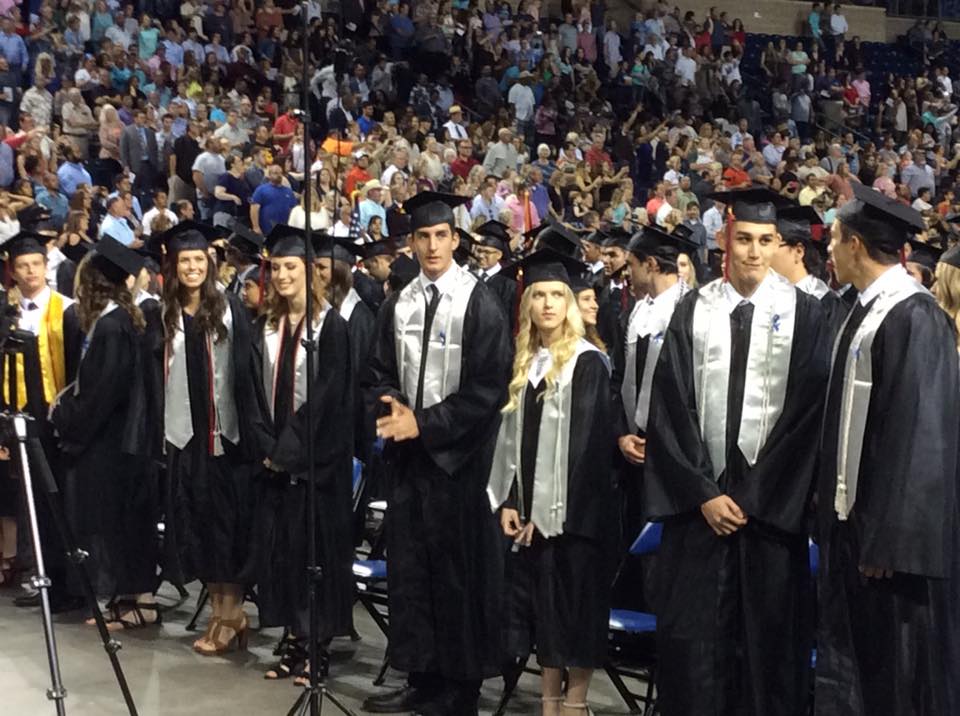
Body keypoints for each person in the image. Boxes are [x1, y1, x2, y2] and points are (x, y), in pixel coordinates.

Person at [642, 188, 831, 715]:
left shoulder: (808, 315)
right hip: (699, 517)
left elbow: (807, 418)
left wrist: (754, 495)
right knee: (694, 652)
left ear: (778, 244)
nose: (752, 251)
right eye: (743, 238)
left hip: (769, 519)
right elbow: (670, 410)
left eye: (764, 240)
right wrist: (703, 493)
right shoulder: (694, 309)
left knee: (766, 654)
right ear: (726, 239)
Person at [362, 192, 511, 715]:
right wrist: (393, 406)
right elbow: (378, 370)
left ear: (455, 239)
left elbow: (489, 389)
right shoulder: (398, 301)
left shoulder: (480, 302)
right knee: (411, 571)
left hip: (460, 464)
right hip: (408, 461)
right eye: (422, 236)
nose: (431, 245)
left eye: (440, 235)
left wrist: (422, 423)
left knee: (456, 575)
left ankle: (460, 687)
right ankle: (420, 677)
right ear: (413, 242)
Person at [815, 184, 960, 716]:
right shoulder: (867, 311)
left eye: (833, 240)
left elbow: (921, 440)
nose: (827, 251)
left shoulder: (914, 315)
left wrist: (888, 544)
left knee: (898, 679)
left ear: (854, 244)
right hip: (856, 532)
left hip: (888, 552)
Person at [487, 249, 615, 716]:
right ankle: (547, 701)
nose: (547, 304)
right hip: (535, 517)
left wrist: (548, 511)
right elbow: (510, 446)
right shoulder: (527, 366)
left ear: (570, 304)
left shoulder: (587, 364)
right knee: (545, 609)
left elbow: (586, 451)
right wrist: (511, 501)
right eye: (538, 294)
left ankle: (575, 704)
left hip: (579, 516)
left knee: (576, 609)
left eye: (556, 295)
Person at [248, 224, 354, 681]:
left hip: (315, 465)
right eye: (277, 268)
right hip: (273, 460)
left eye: (292, 267)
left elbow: (331, 397)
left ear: (312, 272)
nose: (283, 275)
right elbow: (250, 389)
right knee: (285, 554)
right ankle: (293, 638)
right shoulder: (267, 325)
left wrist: (288, 449)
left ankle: (318, 646)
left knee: (317, 556)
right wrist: (266, 446)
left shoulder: (332, 327)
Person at [150, 221, 258, 654]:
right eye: (185, 261)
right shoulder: (167, 313)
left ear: (209, 264)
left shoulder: (230, 309)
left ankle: (233, 615)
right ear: (174, 267)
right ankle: (218, 612)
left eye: (199, 260)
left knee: (226, 530)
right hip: (185, 439)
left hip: (224, 441)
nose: (192, 267)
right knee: (200, 529)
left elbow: (247, 377)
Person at [51, 237, 159, 629]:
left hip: (112, 443)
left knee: (117, 522)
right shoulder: (115, 321)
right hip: (114, 441)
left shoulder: (113, 327)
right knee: (118, 522)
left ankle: (133, 602)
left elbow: (101, 394)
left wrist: (65, 415)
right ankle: (126, 599)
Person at [3, 231, 82, 612]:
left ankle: (68, 582)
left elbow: (77, 372)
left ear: (45, 267)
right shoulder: (8, 314)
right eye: (22, 266)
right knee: (29, 500)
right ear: (13, 272)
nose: (30, 271)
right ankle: (41, 576)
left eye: (35, 264)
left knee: (60, 500)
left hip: (58, 423)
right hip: (21, 421)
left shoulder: (68, 310)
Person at [614, 226, 696, 543]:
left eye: (631, 266)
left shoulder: (693, 313)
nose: (627, 276)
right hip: (634, 454)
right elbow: (618, 380)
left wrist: (661, 443)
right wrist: (623, 433)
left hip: (676, 460)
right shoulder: (634, 314)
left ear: (649, 265)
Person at [771, 204, 846, 338]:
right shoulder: (765, 299)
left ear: (798, 252)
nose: (761, 253)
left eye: (770, 245)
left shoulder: (825, 305)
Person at [474, 219, 517, 330]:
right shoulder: (468, 277)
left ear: (499, 255)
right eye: (479, 251)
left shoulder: (508, 283)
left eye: (487, 252)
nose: (481, 256)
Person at [250, 164, 297, 236]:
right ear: (269, 175)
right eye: (275, 173)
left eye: (280, 173)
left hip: (285, 231)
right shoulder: (261, 190)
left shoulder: (288, 191)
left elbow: (292, 210)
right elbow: (254, 209)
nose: (278, 175)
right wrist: (256, 227)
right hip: (267, 231)